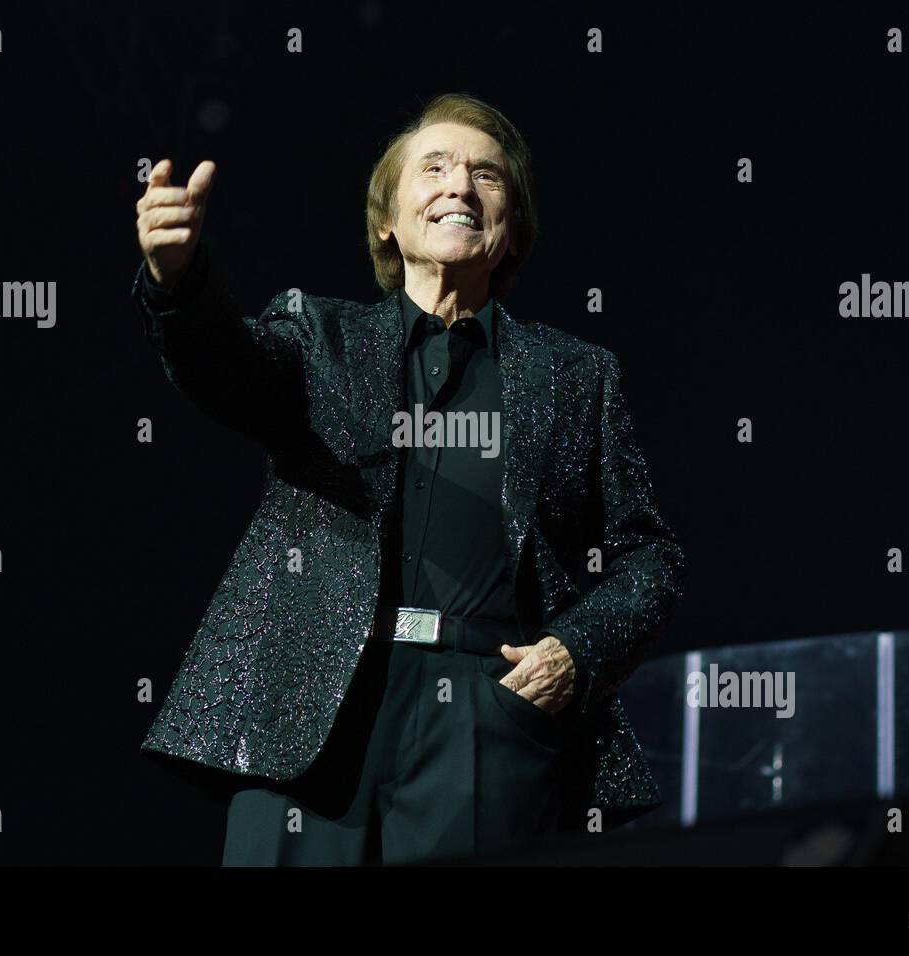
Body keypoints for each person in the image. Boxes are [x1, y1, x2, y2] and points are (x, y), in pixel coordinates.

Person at [131, 92, 686, 865]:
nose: (460, 185)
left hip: (490, 719)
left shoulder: (576, 375)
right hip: (314, 702)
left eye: (486, 175)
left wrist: (577, 649)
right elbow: (225, 366)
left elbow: (649, 556)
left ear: (512, 228)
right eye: (434, 168)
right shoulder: (320, 335)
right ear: (388, 219)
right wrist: (179, 280)